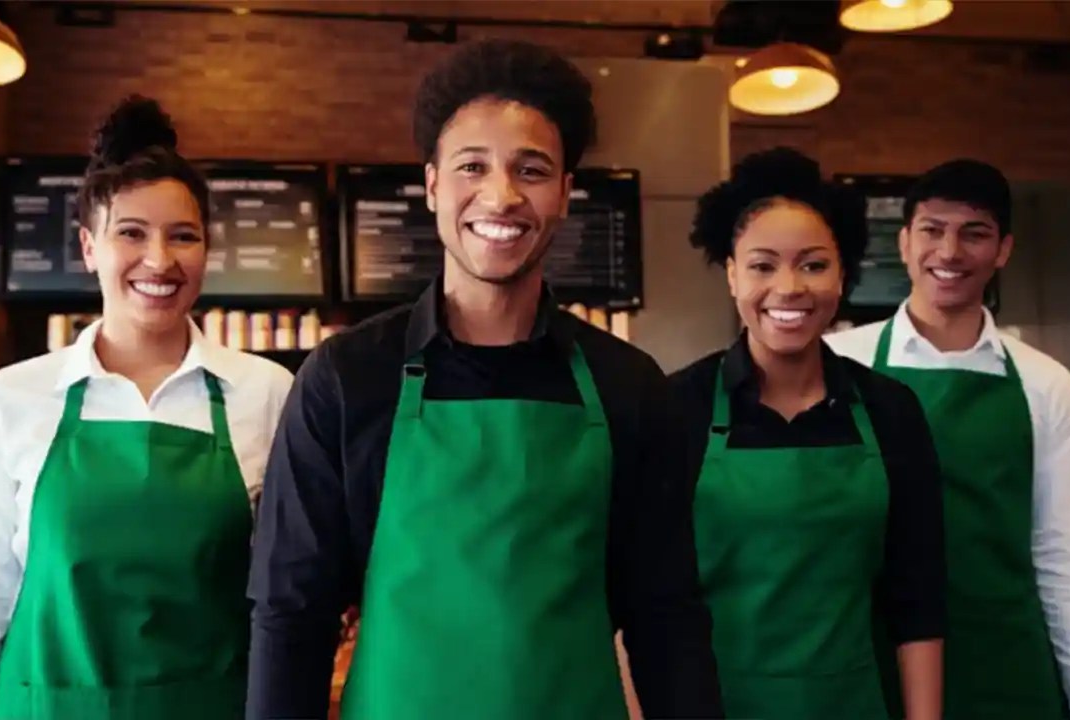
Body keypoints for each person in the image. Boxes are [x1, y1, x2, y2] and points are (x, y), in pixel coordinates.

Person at [247, 38, 722, 720]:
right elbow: (291, 613)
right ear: (434, 183)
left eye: (531, 170)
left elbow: (666, 618)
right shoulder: (348, 379)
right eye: (473, 165)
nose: (501, 195)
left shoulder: (629, 386)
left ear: (564, 193)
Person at [0, 96, 294, 720]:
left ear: (208, 248)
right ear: (89, 247)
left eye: (184, 236)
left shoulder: (265, 393)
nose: (160, 260)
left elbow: (286, 600)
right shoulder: (13, 399)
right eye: (131, 234)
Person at [669, 147, 947, 720]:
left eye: (814, 264)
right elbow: (641, 600)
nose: (789, 287)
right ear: (730, 274)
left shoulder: (891, 411)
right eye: (762, 265)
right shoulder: (676, 408)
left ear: (843, 274)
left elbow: (917, 601)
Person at [826, 159, 1070, 719]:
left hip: (1006, 668)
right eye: (933, 230)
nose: (949, 252)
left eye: (975, 233)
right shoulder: (838, 365)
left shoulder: (1046, 384)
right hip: (870, 661)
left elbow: (1064, 557)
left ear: (1004, 249)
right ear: (903, 241)